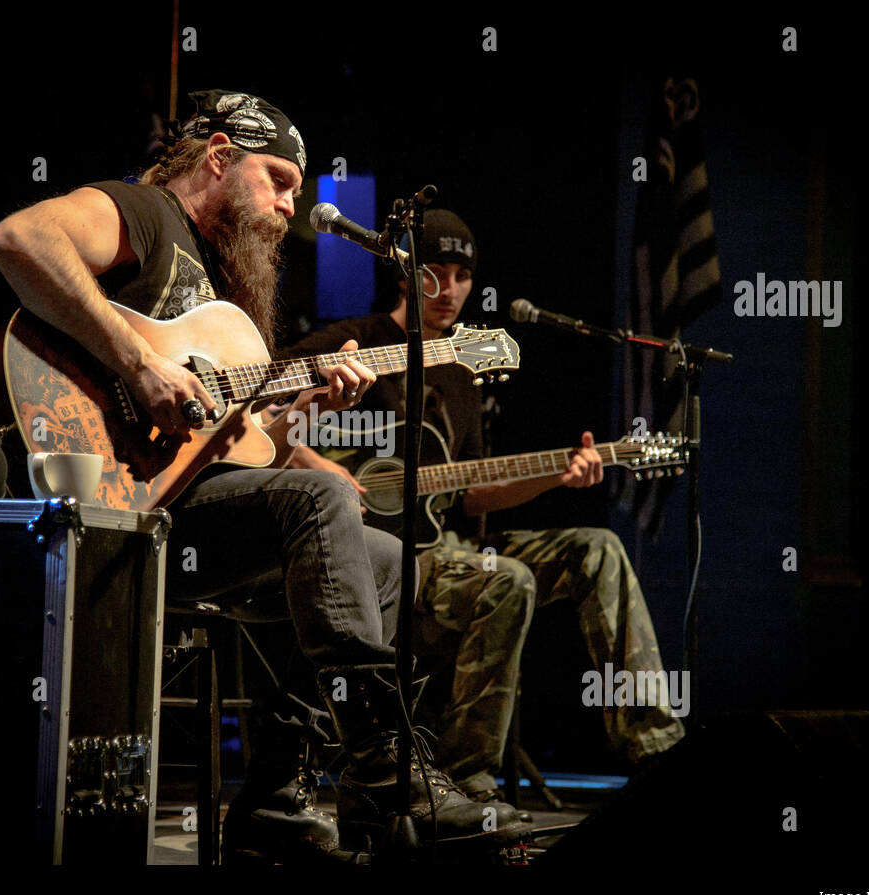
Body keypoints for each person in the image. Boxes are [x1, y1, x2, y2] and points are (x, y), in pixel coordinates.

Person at [0, 92, 528, 862]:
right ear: (217, 157)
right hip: (104, 502)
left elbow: (244, 447)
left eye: (297, 191)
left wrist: (303, 406)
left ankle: (275, 792)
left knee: (382, 558)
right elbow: (18, 239)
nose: (289, 203)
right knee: (324, 495)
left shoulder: (230, 290)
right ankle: (385, 765)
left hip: (182, 505)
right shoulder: (144, 214)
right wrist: (140, 364)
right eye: (276, 179)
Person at [282, 209, 685, 807]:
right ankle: (466, 777)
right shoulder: (354, 341)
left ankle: (655, 753)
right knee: (507, 581)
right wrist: (325, 470)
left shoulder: (465, 366)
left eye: (462, 275)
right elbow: (259, 414)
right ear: (405, 274)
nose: (448, 290)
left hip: (446, 545)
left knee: (598, 549)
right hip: (384, 560)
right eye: (434, 272)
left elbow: (469, 489)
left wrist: (556, 475)